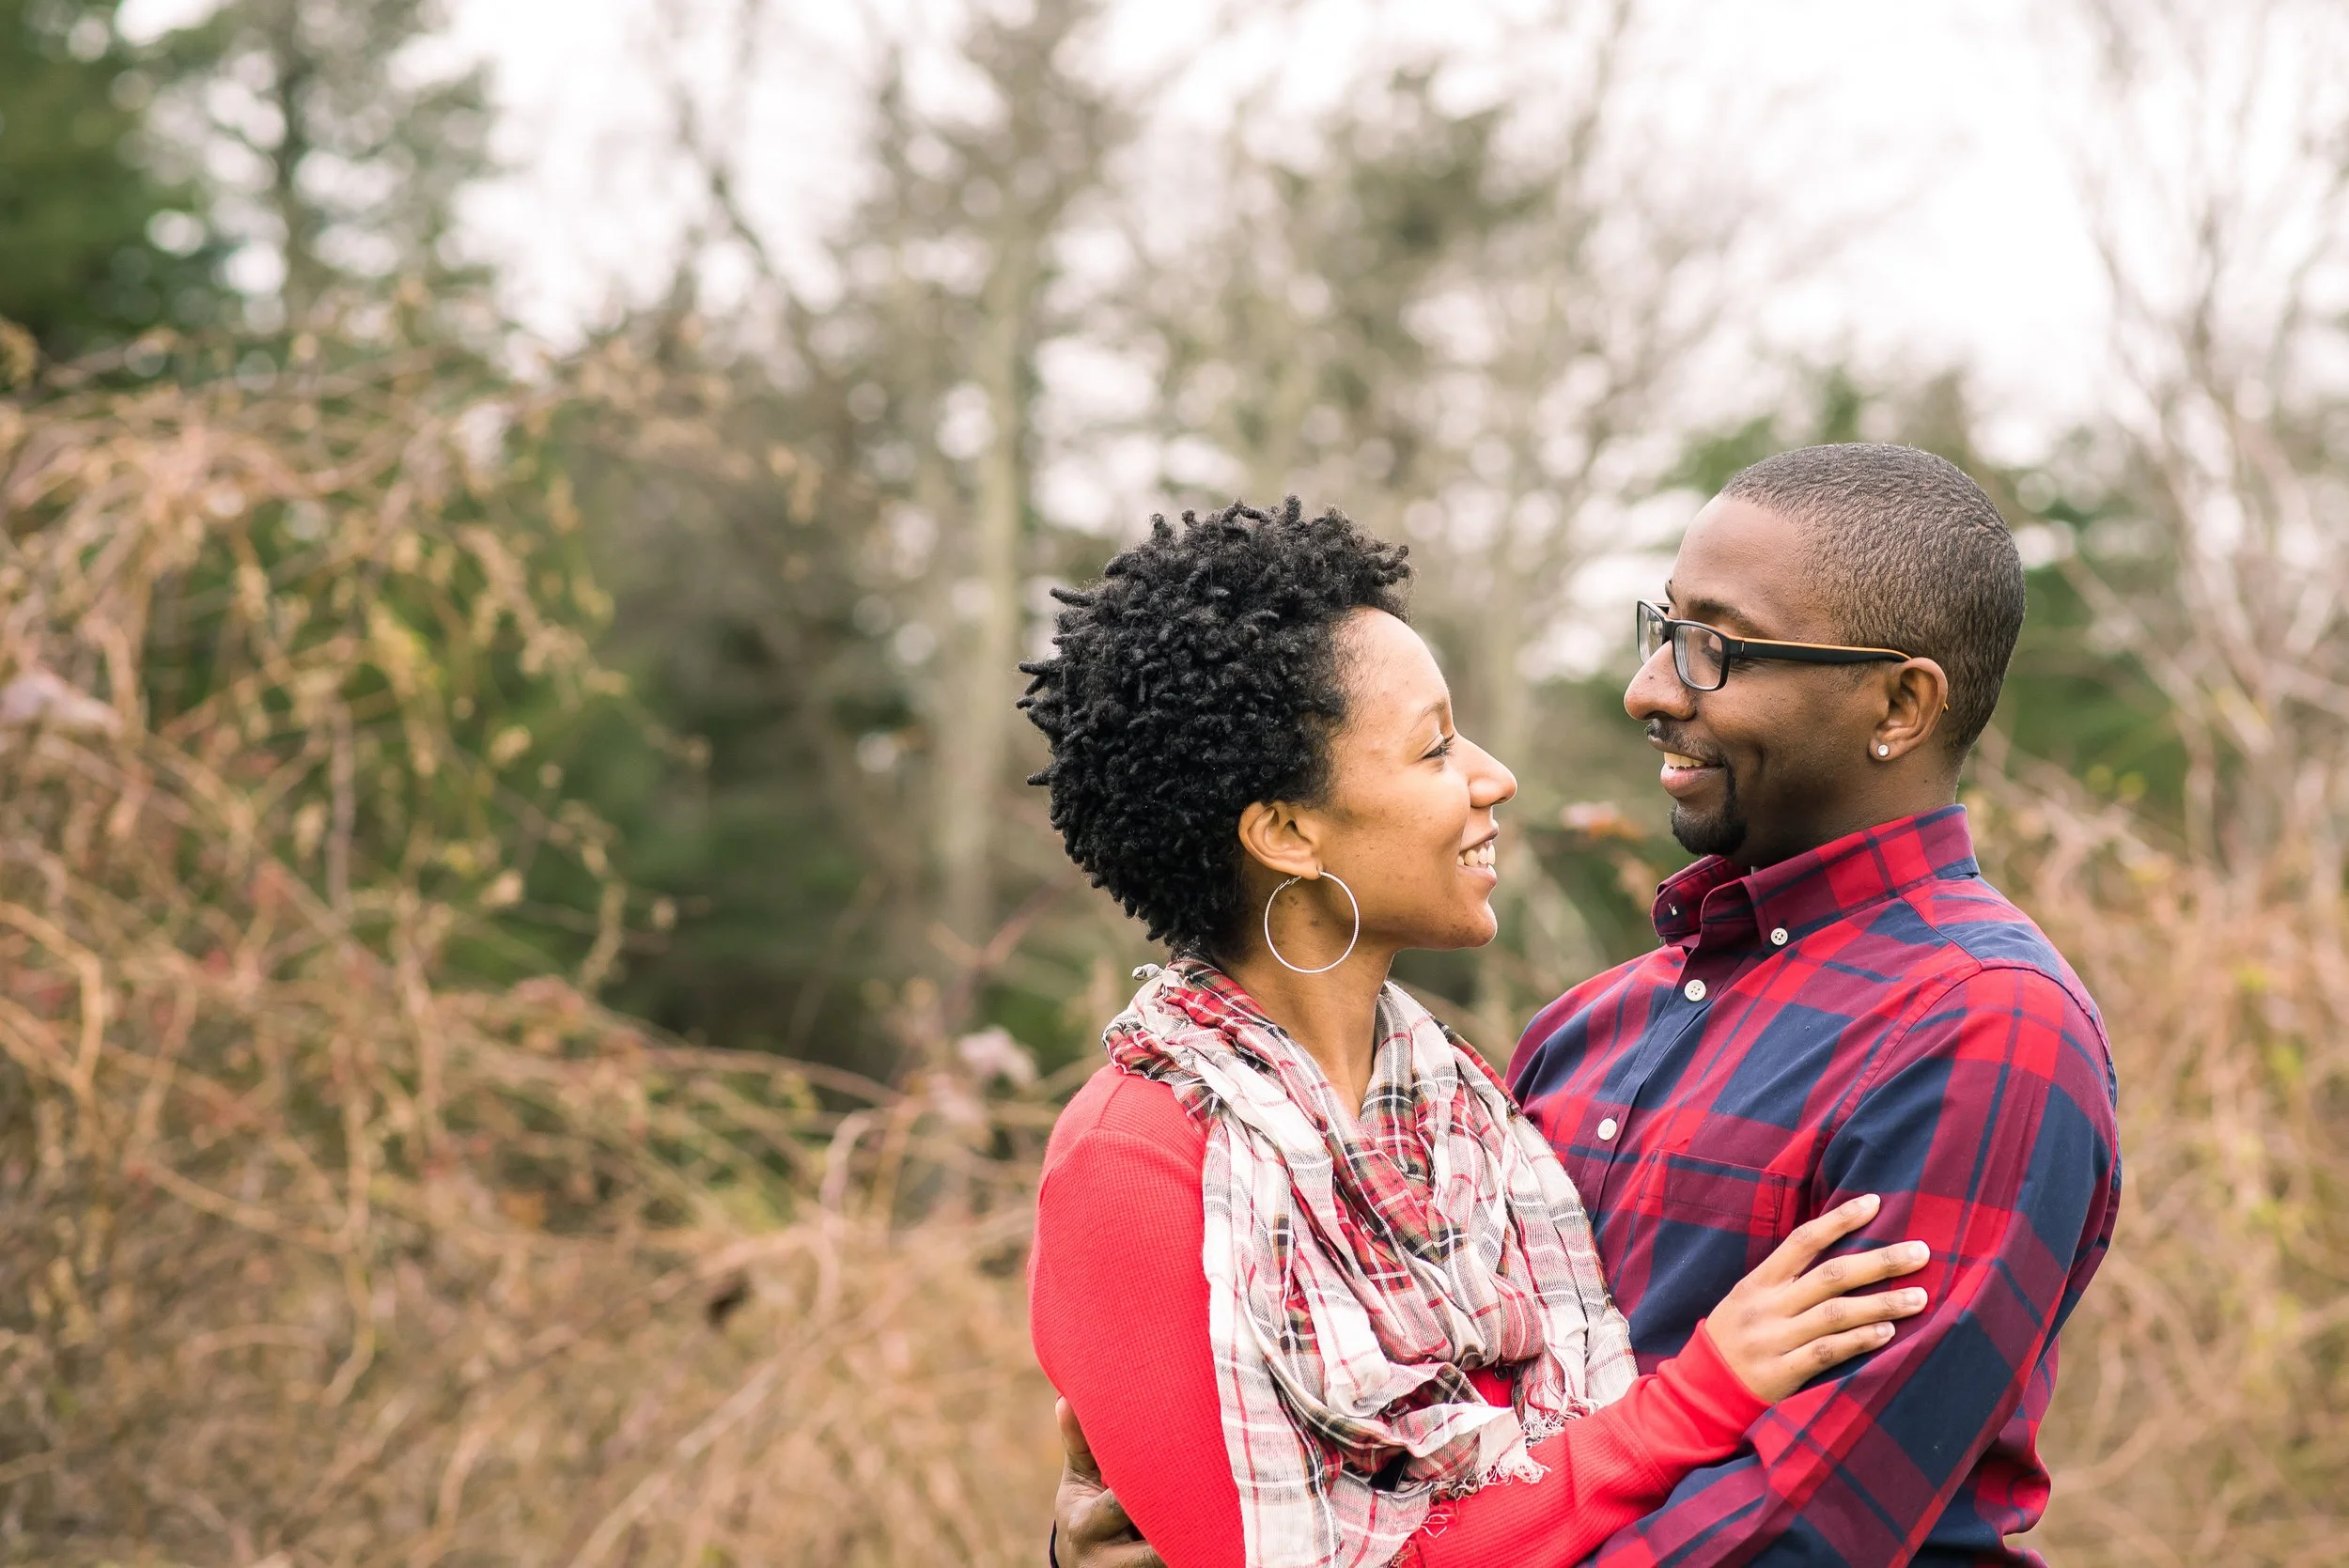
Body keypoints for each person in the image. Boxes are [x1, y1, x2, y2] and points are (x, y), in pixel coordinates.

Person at [1050, 446, 2123, 1568]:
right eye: (1661, 628)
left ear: (1899, 702)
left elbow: (1802, 1533)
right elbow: (1404, 1467)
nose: (1650, 687)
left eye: (1715, 648)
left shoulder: (1982, 1028)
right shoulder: (1581, 1032)